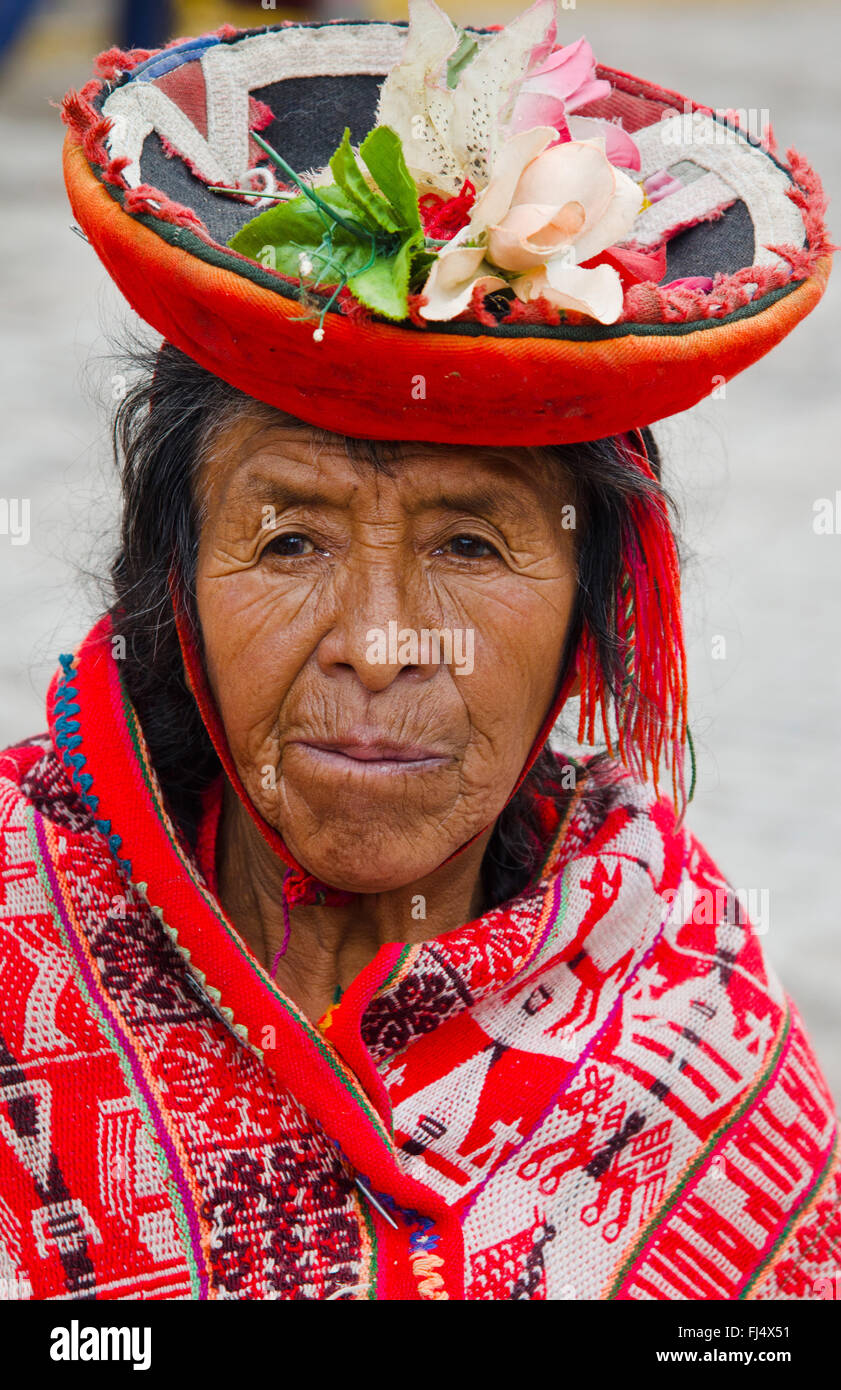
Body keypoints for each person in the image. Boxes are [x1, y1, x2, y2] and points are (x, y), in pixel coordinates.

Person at [0, 0, 836, 1301]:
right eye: (289, 540)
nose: (381, 642)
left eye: (470, 543)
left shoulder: (693, 1026)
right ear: (172, 586)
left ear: (586, 613)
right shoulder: (15, 941)